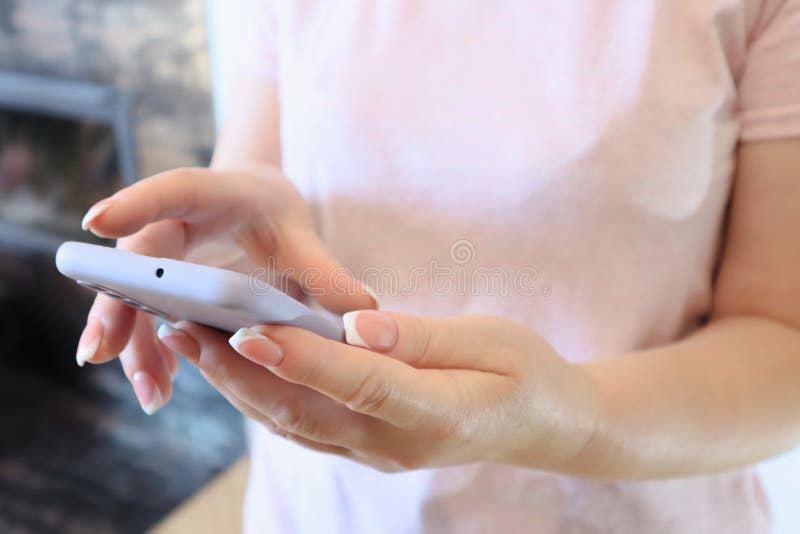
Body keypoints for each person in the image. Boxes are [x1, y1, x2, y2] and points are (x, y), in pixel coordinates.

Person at [74, 1, 800, 532]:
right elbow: (259, 200)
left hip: (632, 509)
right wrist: (218, 231)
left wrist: (566, 420)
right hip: (327, 507)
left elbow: (781, 339)